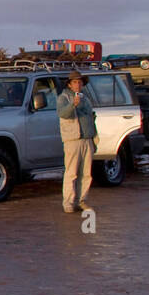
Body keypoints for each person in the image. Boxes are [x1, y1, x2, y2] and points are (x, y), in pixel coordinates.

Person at [57, 69, 98, 213]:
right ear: (69, 84)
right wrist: (73, 104)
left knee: (86, 173)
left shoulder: (85, 99)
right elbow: (63, 114)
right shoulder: (63, 98)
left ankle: (82, 200)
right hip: (72, 139)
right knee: (71, 173)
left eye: (80, 82)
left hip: (87, 139)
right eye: (75, 82)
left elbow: (91, 118)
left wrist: (94, 137)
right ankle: (68, 202)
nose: (78, 85)